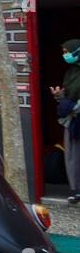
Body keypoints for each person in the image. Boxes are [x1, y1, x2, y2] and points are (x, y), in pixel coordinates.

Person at [49, 37, 80, 205]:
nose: (65, 55)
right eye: (64, 52)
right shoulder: (71, 72)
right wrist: (59, 96)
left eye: (68, 52)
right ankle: (76, 190)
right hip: (72, 120)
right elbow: (67, 95)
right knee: (72, 155)